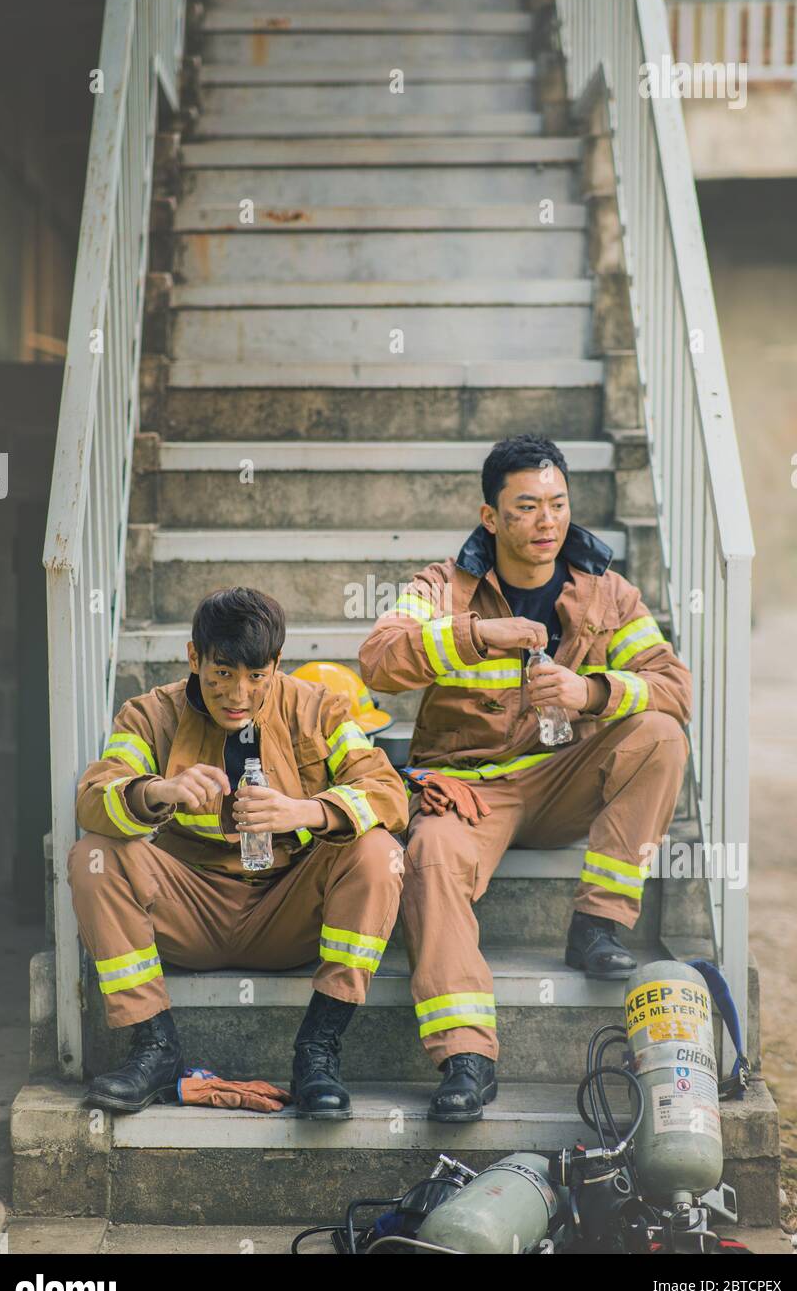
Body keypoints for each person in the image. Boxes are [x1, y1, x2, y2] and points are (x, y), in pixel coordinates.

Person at [358, 434, 692, 1122]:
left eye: (559, 504)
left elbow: (673, 689)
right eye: (528, 507)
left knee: (660, 734)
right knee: (430, 854)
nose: (548, 523)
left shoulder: (606, 591)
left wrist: (590, 694)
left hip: (564, 774)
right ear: (491, 517)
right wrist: (479, 635)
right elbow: (379, 660)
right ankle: (467, 1059)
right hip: (470, 787)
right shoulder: (443, 585)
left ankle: (599, 923)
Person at [68, 586, 408, 1119]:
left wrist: (308, 812)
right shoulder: (149, 715)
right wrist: (157, 791)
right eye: (221, 673)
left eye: (256, 676)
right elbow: (92, 799)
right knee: (94, 856)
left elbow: (388, 792)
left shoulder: (319, 707)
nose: (238, 693)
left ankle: (317, 1050)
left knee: (378, 850)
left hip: (287, 912)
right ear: (193, 658)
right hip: (189, 910)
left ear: (277, 664)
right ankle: (153, 1047)